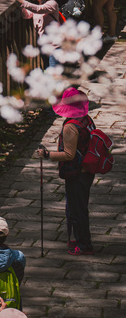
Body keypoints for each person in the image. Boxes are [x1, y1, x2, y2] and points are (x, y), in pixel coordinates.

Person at [37, 87, 97, 256]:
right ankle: (78, 238)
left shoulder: (71, 127)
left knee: (77, 210)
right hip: (87, 171)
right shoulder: (86, 119)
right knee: (78, 207)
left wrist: (47, 154)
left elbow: (69, 155)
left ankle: (84, 245)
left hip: (76, 174)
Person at [13, 0, 61, 67]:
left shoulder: (52, 4)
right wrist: (19, 2)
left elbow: (39, 10)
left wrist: (22, 1)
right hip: (44, 47)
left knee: (54, 75)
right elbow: (26, 15)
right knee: (48, 72)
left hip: (55, 47)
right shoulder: (36, 6)